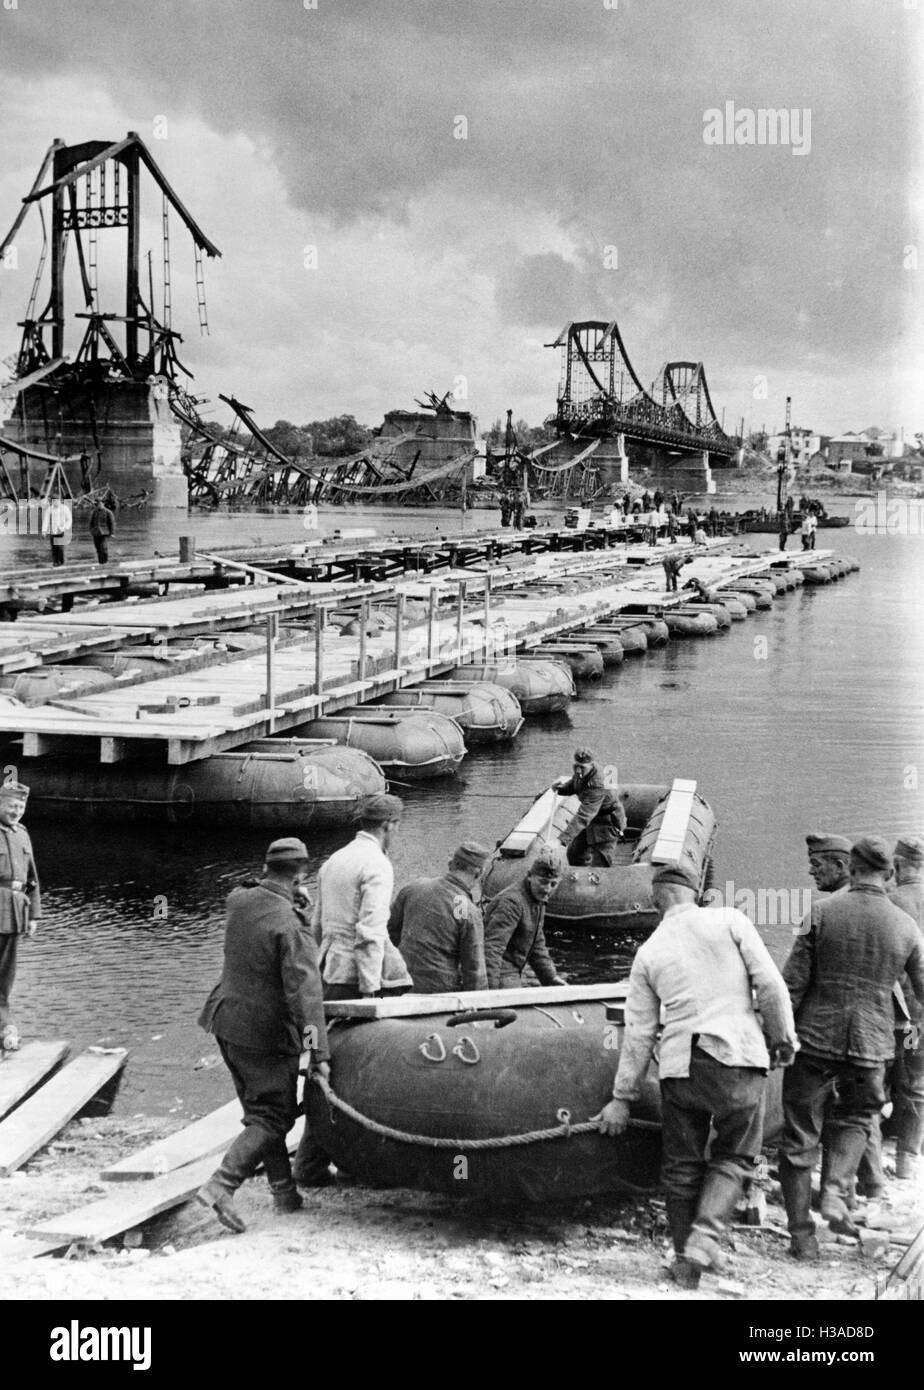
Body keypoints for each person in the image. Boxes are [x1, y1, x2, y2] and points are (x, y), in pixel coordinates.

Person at [597, 863, 796, 1288]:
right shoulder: (730, 919)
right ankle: (706, 1235)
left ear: (657, 901)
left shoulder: (648, 951)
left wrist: (622, 1097)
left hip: (679, 1069)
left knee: (681, 1167)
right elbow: (772, 986)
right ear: (696, 893)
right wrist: (782, 1040)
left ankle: (686, 1266)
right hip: (736, 1058)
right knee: (735, 1156)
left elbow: (638, 1033)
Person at [778, 837, 924, 1259]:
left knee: (799, 1136)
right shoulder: (905, 925)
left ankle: (802, 1238)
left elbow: (792, 984)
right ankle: (838, 1192)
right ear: (888, 873)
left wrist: (780, 1038)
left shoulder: (819, 913)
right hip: (871, 1045)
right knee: (858, 1119)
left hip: (814, 1041)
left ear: (853, 868)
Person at [196, 837, 329, 1233]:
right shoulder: (291, 925)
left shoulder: (240, 899)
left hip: (225, 1021)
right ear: (302, 875)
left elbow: (253, 892)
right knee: (275, 1116)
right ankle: (221, 1185)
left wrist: (290, 899)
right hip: (263, 1033)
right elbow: (305, 994)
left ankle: (284, 1193)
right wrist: (316, 1051)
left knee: (261, 1112)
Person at [312, 793, 411, 999]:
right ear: (388, 825)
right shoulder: (377, 864)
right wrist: (369, 987)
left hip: (328, 971)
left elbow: (317, 924)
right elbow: (370, 930)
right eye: (397, 824)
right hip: (354, 978)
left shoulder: (334, 859)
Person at [388, 841, 490, 993]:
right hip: (440, 994)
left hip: (400, 987)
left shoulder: (414, 887)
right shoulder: (466, 909)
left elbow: (389, 935)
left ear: (451, 865)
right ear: (479, 873)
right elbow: (474, 971)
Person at [888, 835, 924, 1180]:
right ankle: (912, 1152)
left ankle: (904, 1160)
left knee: (904, 1078)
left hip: (903, 1011)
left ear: (897, 866)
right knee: (918, 1078)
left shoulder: (892, 900)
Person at [483, 844, 568, 989]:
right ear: (529, 876)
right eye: (543, 882)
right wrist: (489, 991)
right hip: (502, 971)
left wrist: (550, 977)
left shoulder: (537, 900)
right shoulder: (512, 902)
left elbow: (536, 942)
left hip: (512, 970)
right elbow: (492, 948)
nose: (547, 889)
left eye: (553, 884)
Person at [0, 781, 41, 1052]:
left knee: (5, 976)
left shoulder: (22, 834)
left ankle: (4, 1026)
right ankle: (5, 1027)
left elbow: (33, 881)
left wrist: (34, 915)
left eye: (21, 806)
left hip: (14, 912)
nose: (17, 811)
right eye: (12, 806)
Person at [554, 748, 627, 867]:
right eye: (576, 766)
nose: (578, 770)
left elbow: (584, 816)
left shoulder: (598, 784)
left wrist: (559, 840)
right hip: (592, 819)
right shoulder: (582, 771)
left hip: (606, 823)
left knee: (601, 865)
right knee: (574, 854)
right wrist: (560, 789)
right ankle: (581, 879)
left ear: (591, 765)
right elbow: (574, 784)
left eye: (582, 767)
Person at [89, 498, 116, 564]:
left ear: (103, 504)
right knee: (97, 548)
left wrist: (112, 533)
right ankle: (100, 562)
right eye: (97, 504)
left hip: (105, 533)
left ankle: (105, 561)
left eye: (99, 503)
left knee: (103, 548)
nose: (98, 505)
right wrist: (91, 530)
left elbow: (112, 523)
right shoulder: (94, 512)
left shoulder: (108, 512)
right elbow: (91, 522)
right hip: (96, 533)